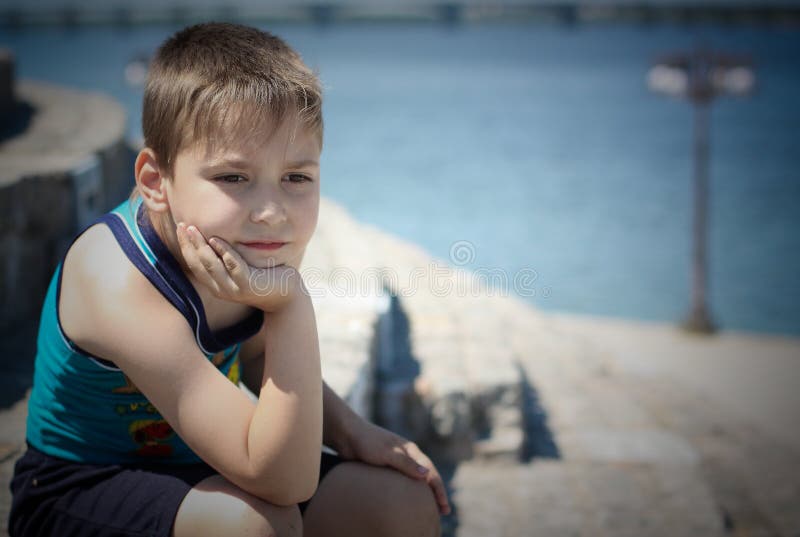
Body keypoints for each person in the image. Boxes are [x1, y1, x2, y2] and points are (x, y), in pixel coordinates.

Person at [8, 22, 449, 537]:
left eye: (296, 178)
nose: (270, 212)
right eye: (232, 178)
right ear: (156, 181)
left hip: (209, 462)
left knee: (401, 502)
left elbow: (260, 359)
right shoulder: (117, 277)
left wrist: (352, 431)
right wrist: (291, 306)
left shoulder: (237, 243)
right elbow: (281, 481)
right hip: (82, 486)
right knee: (257, 525)